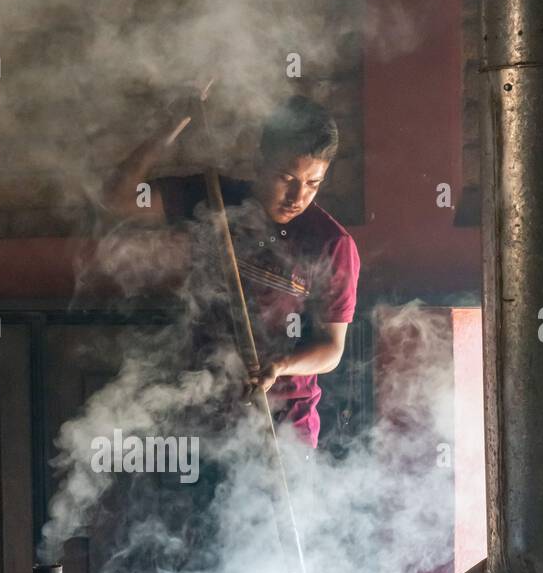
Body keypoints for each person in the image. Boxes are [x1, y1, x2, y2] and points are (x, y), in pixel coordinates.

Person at [102, 93, 360, 449]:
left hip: (282, 427)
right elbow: (117, 197)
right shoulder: (215, 199)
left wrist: (279, 367)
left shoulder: (331, 244)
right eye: (287, 178)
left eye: (313, 184)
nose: (298, 196)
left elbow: (331, 349)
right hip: (200, 412)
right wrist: (175, 119)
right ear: (260, 163)